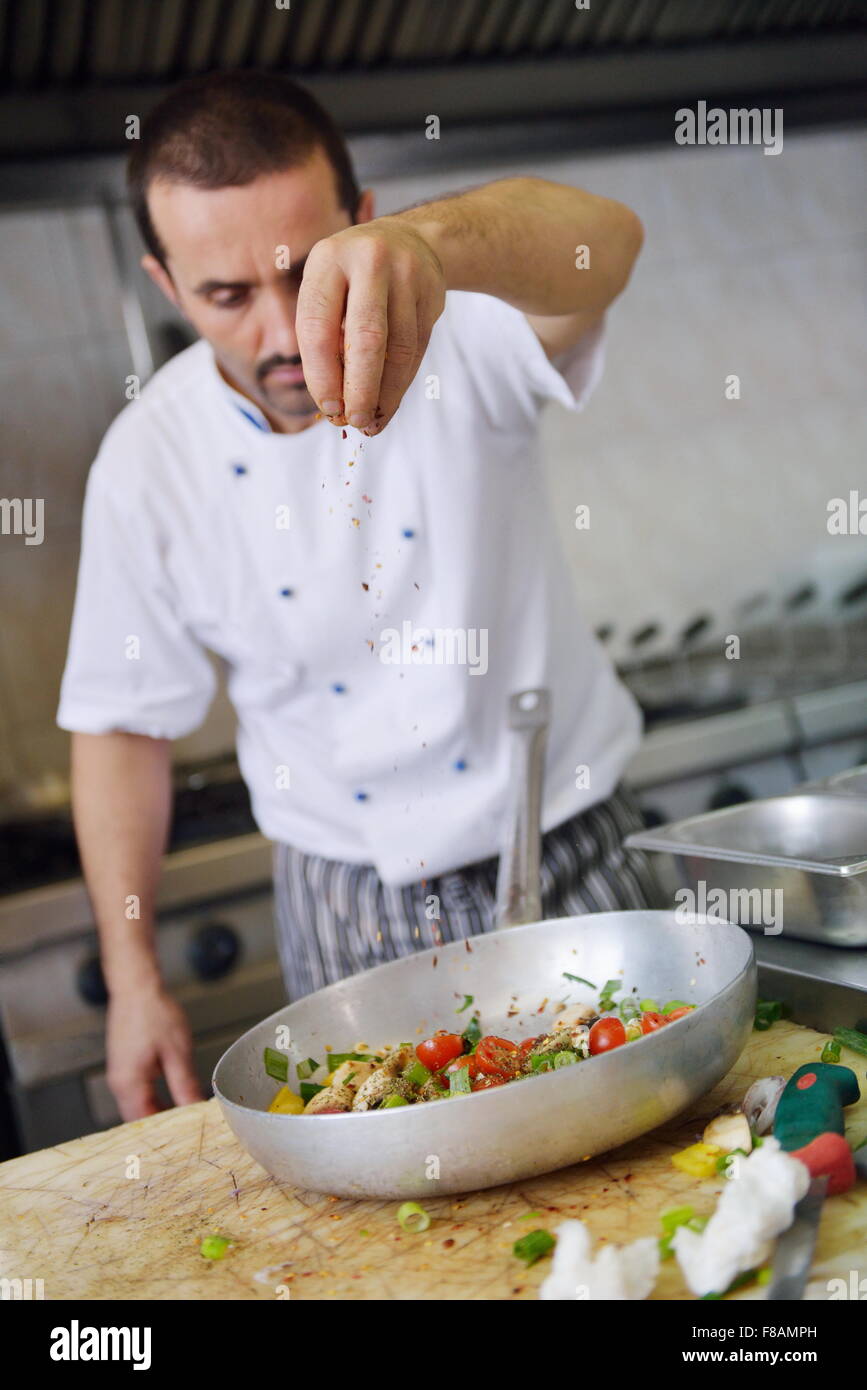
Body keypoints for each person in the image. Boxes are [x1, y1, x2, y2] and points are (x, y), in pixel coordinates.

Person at [57, 70, 656, 1121]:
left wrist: (433, 251)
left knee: (657, 1169)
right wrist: (133, 971)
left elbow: (608, 243)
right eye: (227, 296)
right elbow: (119, 728)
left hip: (568, 847)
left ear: (365, 218)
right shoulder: (146, 464)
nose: (286, 333)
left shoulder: (467, 330)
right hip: (348, 907)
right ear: (167, 284)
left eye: (307, 271)